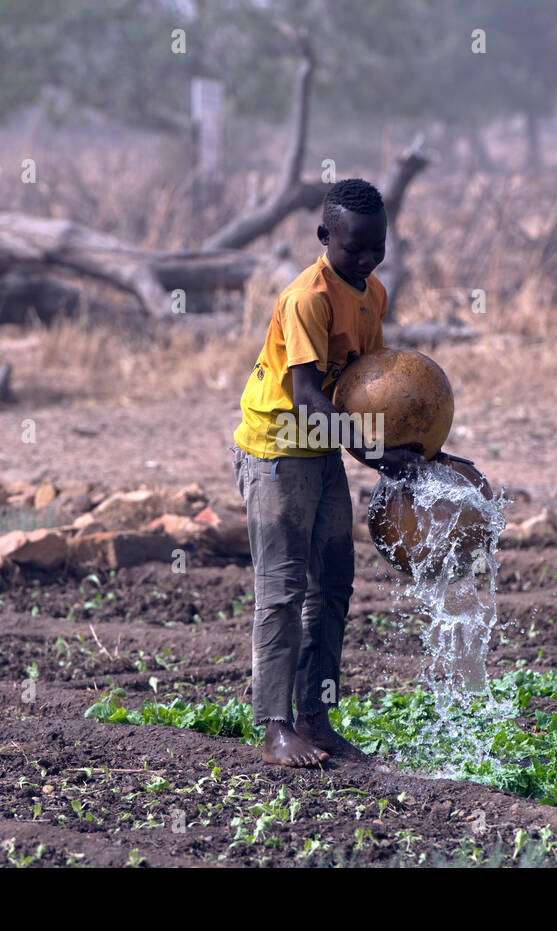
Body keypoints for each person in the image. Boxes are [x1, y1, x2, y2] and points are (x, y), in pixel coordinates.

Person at [230, 177, 426, 766]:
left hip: (321, 445)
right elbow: (310, 397)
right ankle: (274, 727)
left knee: (334, 584)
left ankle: (316, 719)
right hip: (278, 445)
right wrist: (373, 455)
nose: (366, 259)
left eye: (377, 247)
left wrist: (414, 446)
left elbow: (370, 385)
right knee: (284, 590)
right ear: (324, 237)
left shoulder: (373, 294)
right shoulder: (307, 299)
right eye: (354, 248)